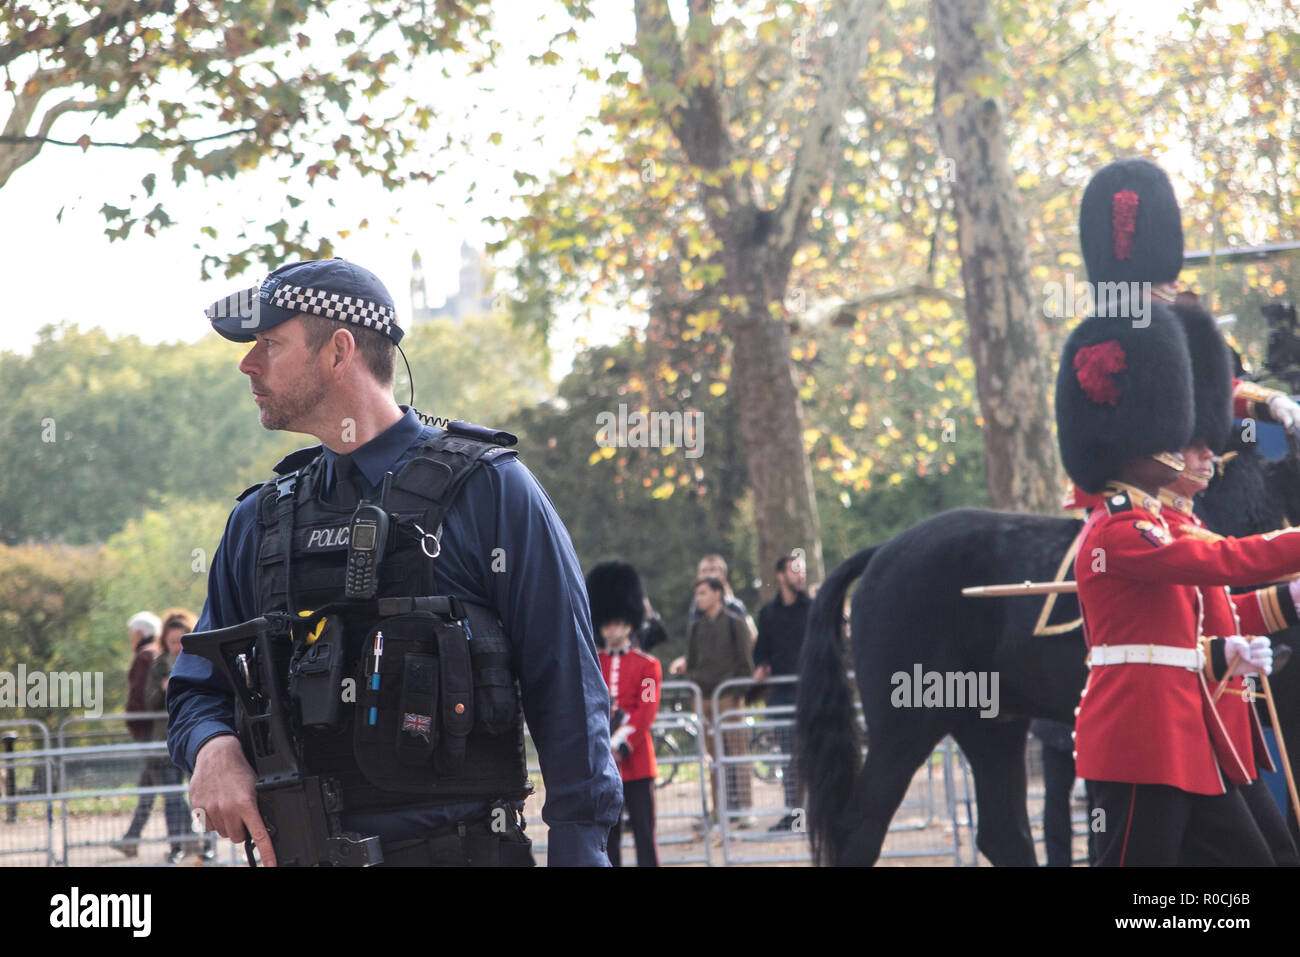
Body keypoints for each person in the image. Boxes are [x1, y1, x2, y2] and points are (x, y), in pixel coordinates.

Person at [167, 257, 621, 867]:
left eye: (269, 344)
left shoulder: (490, 492)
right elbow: (197, 686)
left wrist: (582, 854)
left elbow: (568, 690)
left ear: (339, 351)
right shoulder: (259, 520)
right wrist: (212, 746)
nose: (247, 363)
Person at [1055, 161, 1300, 863]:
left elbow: (1215, 392)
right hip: (1141, 736)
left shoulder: (1183, 326)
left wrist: (1265, 403)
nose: (1187, 451)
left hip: (1189, 732)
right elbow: (1222, 561)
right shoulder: (1121, 529)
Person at [1157, 301, 1300, 866]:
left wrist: (1281, 602)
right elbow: (1226, 563)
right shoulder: (1132, 525)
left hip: (1221, 725)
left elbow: (1219, 607)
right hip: (1163, 733)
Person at [587, 561, 661, 867]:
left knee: (644, 832)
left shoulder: (648, 666)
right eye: (607, 623)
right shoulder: (593, 662)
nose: (611, 629)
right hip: (603, 762)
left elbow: (645, 711)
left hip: (637, 761)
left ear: (630, 624)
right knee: (609, 834)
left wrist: (621, 743)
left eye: (617, 623)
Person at [670, 577, 755, 827]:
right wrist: (696, 693)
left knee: (738, 753)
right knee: (713, 757)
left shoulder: (735, 623)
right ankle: (718, 809)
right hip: (704, 699)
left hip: (728, 698)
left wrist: (734, 693)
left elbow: (746, 665)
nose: (699, 598)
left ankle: (746, 808)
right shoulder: (696, 628)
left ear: (718, 593)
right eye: (698, 594)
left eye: (704, 593)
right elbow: (692, 663)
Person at [146, 608, 211, 864]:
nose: (176, 647)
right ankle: (177, 846)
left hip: (195, 740)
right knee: (172, 798)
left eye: (181, 641)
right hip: (166, 742)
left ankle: (207, 844)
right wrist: (163, 690)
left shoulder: (201, 658)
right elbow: (147, 702)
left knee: (202, 795)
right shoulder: (158, 665)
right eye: (172, 642)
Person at [753, 552, 810, 831]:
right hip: (781, 695)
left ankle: (822, 813)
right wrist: (761, 668)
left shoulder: (814, 608)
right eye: (794, 570)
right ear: (780, 575)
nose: (800, 575)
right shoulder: (768, 613)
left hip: (810, 692)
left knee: (813, 754)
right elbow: (761, 651)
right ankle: (796, 816)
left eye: (802, 570)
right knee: (790, 758)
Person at [113, 611, 161, 858]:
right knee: (150, 786)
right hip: (149, 731)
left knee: (165, 785)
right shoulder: (151, 653)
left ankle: (192, 839)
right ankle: (131, 839)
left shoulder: (145, 655)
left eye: (132, 633)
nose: (131, 638)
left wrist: (136, 721)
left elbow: (141, 696)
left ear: (140, 633)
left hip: (149, 732)